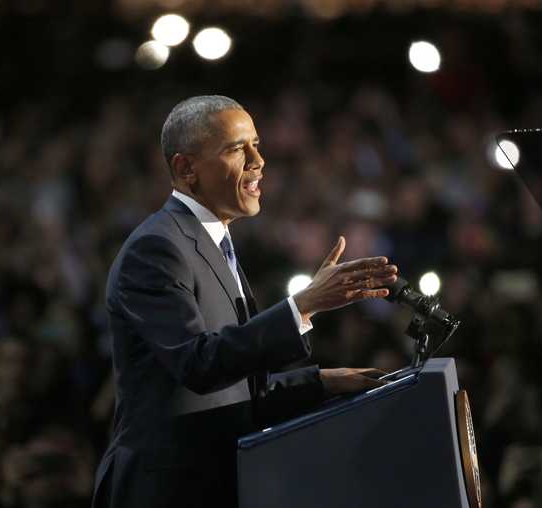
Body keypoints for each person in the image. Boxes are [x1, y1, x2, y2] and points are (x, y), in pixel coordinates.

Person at [92, 95, 399, 508]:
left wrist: (324, 381)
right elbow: (199, 364)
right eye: (237, 149)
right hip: (165, 491)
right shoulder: (156, 249)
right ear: (186, 168)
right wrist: (302, 306)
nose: (258, 161)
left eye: (256, 145)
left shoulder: (215, 243)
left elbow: (237, 394)